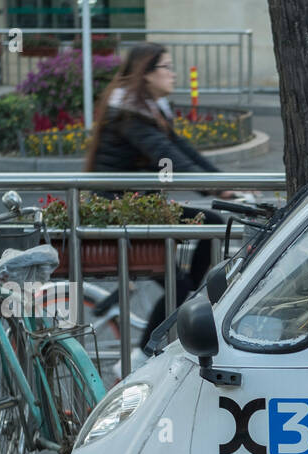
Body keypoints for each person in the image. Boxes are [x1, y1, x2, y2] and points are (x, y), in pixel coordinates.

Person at [84, 43, 232, 351]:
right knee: (179, 284)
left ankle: (184, 297)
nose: (173, 73)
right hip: (120, 211)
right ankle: (143, 354)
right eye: (166, 67)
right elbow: (167, 155)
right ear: (146, 73)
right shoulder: (129, 113)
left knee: (212, 223)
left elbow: (184, 151)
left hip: (138, 207)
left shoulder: (147, 107)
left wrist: (222, 183)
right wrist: (216, 188)